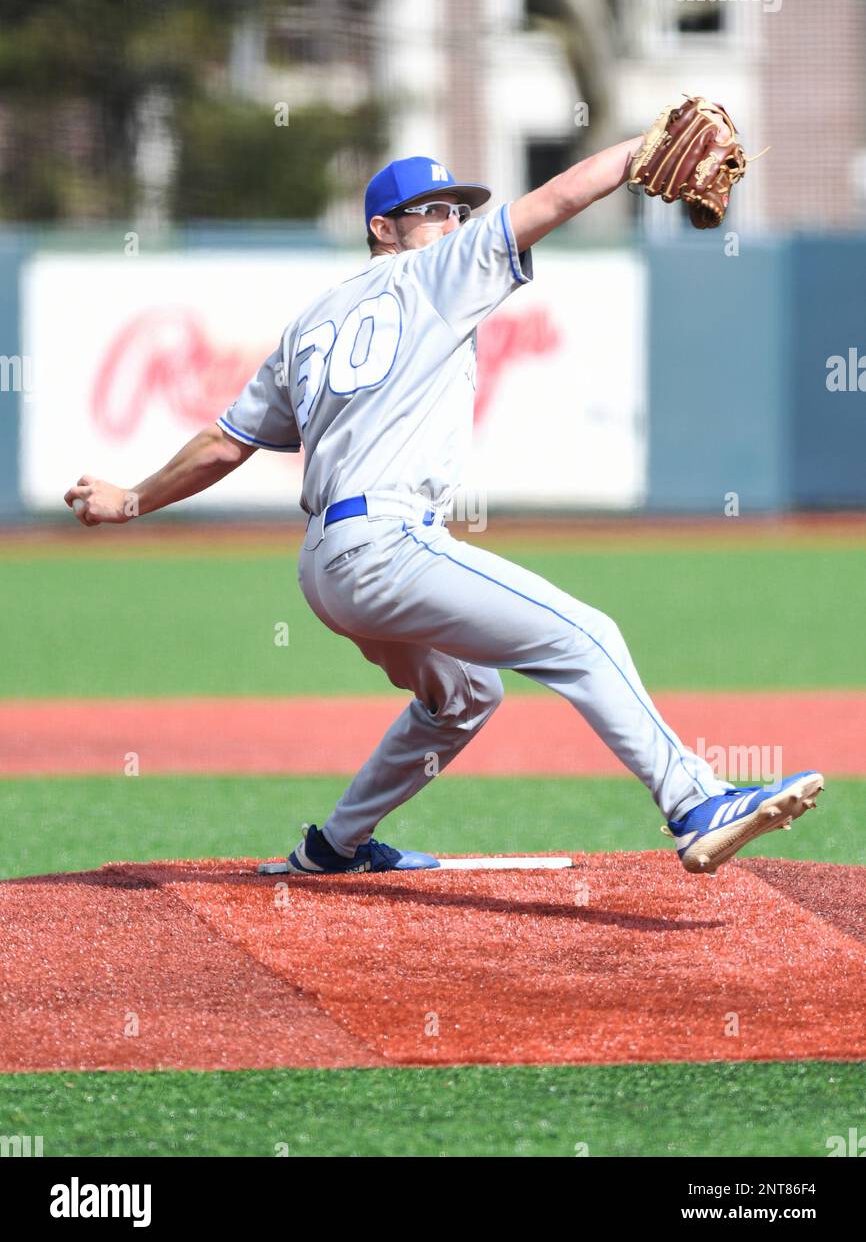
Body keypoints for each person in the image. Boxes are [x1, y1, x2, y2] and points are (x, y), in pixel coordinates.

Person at [65, 143, 823, 877]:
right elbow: (555, 198)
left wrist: (131, 497)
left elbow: (224, 443)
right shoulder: (436, 273)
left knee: (461, 695)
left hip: (325, 570)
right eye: (430, 211)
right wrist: (636, 151)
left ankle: (336, 843)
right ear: (382, 229)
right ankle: (696, 803)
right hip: (387, 544)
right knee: (587, 634)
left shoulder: (310, 323)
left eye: (458, 209)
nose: (452, 224)